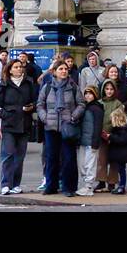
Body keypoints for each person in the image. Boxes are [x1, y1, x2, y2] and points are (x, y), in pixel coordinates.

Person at [0, 56, 37, 195]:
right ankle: (5, 184)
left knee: (20, 156)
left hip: (24, 124)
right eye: (16, 67)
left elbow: (35, 101)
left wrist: (31, 107)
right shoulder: (3, 85)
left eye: (20, 67)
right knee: (8, 154)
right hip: (9, 125)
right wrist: (7, 115)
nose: (19, 69)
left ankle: (16, 184)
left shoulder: (28, 83)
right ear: (9, 70)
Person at [37, 58, 83, 196]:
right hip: (51, 127)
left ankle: (69, 188)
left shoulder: (73, 86)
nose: (64, 71)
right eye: (60, 69)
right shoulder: (48, 87)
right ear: (54, 72)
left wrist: (73, 116)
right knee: (51, 157)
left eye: (65, 69)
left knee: (69, 158)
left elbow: (81, 104)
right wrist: (44, 117)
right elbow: (40, 104)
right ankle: (51, 185)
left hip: (67, 126)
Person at [96, 77, 125, 191]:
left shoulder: (118, 104)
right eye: (107, 89)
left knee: (113, 161)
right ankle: (101, 181)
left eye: (111, 89)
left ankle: (112, 182)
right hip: (101, 135)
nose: (109, 91)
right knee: (101, 160)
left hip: (113, 136)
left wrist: (111, 135)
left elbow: (119, 121)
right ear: (103, 90)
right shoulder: (99, 103)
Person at [76, 84, 104, 196]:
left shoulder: (97, 108)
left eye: (90, 93)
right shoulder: (83, 107)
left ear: (95, 95)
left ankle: (88, 186)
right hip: (82, 140)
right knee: (82, 164)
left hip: (91, 141)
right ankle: (84, 184)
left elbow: (98, 126)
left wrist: (95, 142)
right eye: (86, 94)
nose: (88, 96)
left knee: (90, 164)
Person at [105, 107, 127, 194]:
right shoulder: (125, 128)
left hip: (123, 154)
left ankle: (122, 186)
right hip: (123, 153)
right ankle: (121, 186)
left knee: (122, 170)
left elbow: (122, 140)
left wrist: (110, 137)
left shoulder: (125, 129)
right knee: (121, 170)